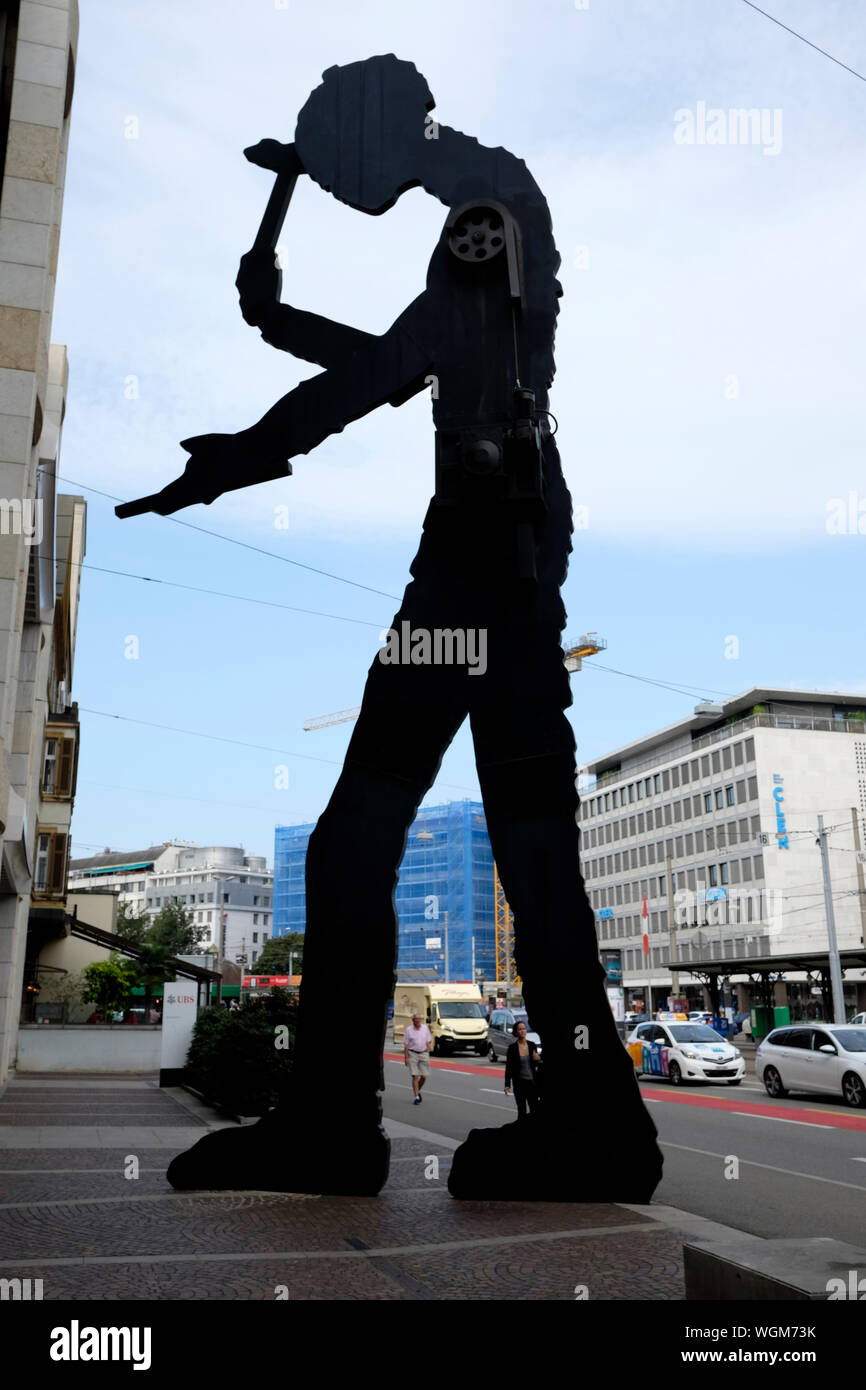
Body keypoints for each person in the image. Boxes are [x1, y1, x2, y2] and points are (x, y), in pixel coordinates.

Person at [150, 55, 662, 1201]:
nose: (342, 191)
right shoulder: (478, 282)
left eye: (346, 164)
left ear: (391, 137)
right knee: (530, 843)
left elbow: (368, 374)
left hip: (474, 567)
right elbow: (379, 367)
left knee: (362, 834)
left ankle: (334, 1120)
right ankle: (590, 1123)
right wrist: (267, 334)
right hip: (506, 559)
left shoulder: (492, 219)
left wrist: (244, 445)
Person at [504, 1020, 542, 1119]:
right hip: (519, 1084)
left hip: (532, 1083)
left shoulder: (532, 1045)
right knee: (522, 1111)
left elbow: (536, 1063)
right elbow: (509, 1067)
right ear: (516, 1032)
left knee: (535, 1109)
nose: (522, 1031)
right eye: (520, 1029)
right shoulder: (512, 1048)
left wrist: (538, 1059)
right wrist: (507, 1084)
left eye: (524, 1029)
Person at [403, 1012, 432, 1105]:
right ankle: (416, 1096)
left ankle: (417, 1090)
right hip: (412, 1054)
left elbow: (428, 1039)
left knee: (424, 1076)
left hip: (423, 1053)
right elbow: (406, 1045)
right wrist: (406, 1057)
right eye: (416, 1019)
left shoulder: (425, 1028)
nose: (418, 1020)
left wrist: (428, 1047)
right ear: (413, 1020)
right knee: (415, 1076)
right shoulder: (408, 1030)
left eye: (420, 1019)